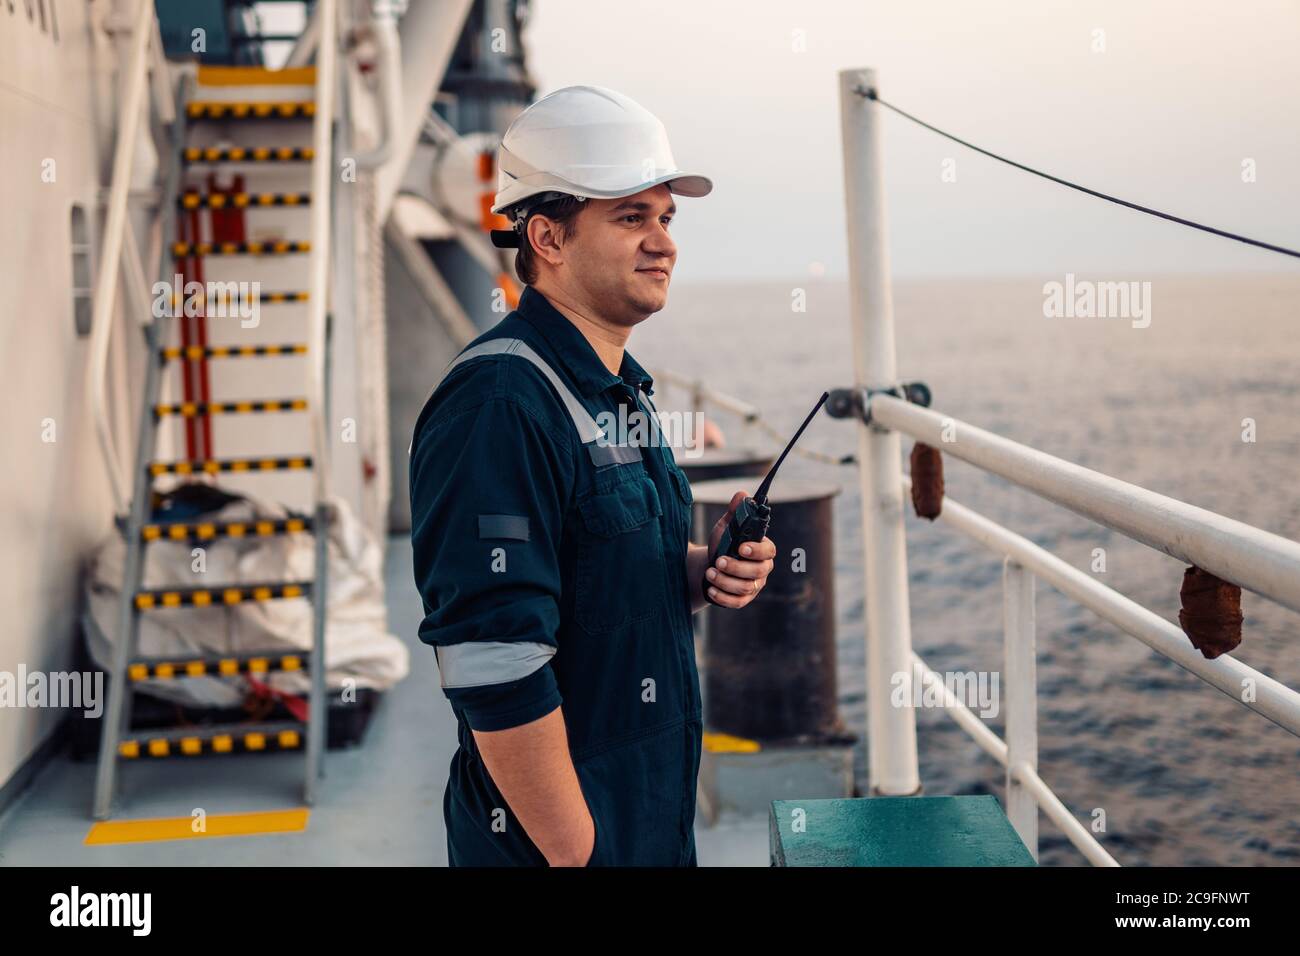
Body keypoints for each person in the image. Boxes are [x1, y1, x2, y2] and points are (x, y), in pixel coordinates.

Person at [409, 85, 776, 867]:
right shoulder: (499, 402)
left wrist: (698, 571)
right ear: (547, 236)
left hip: (642, 816)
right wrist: (576, 848)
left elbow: (590, 571)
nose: (663, 242)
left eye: (666, 217)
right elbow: (490, 654)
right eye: (630, 217)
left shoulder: (617, 389)